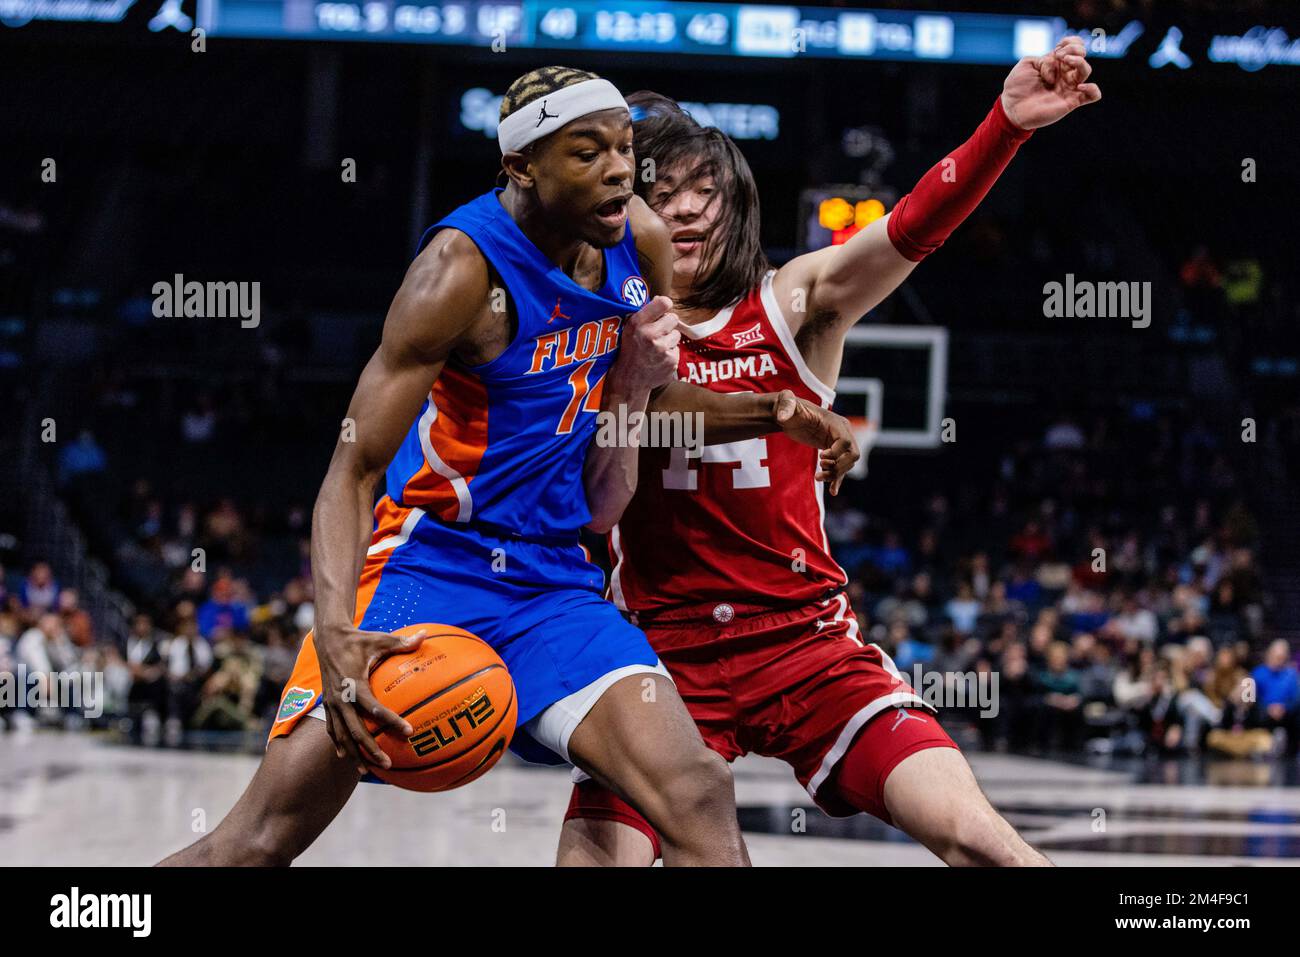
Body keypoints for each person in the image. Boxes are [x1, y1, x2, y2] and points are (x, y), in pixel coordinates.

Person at [160, 66, 856, 867]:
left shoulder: (641, 242)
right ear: (522, 166)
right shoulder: (459, 271)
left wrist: (771, 409)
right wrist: (338, 632)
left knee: (694, 785)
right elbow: (351, 471)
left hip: (554, 582)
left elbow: (635, 402)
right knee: (257, 841)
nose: (620, 171)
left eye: (625, 150)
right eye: (586, 152)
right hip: (431, 562)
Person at [559, 37, 1101, 866]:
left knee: (979, 837)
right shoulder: (604, 334)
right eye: (664, 194)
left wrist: (1006, 125)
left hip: (804, 643)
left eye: (709, 190)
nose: (692, 210)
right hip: (658, 653)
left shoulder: (793, 302)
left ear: (738, 204)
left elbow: (911, 228)